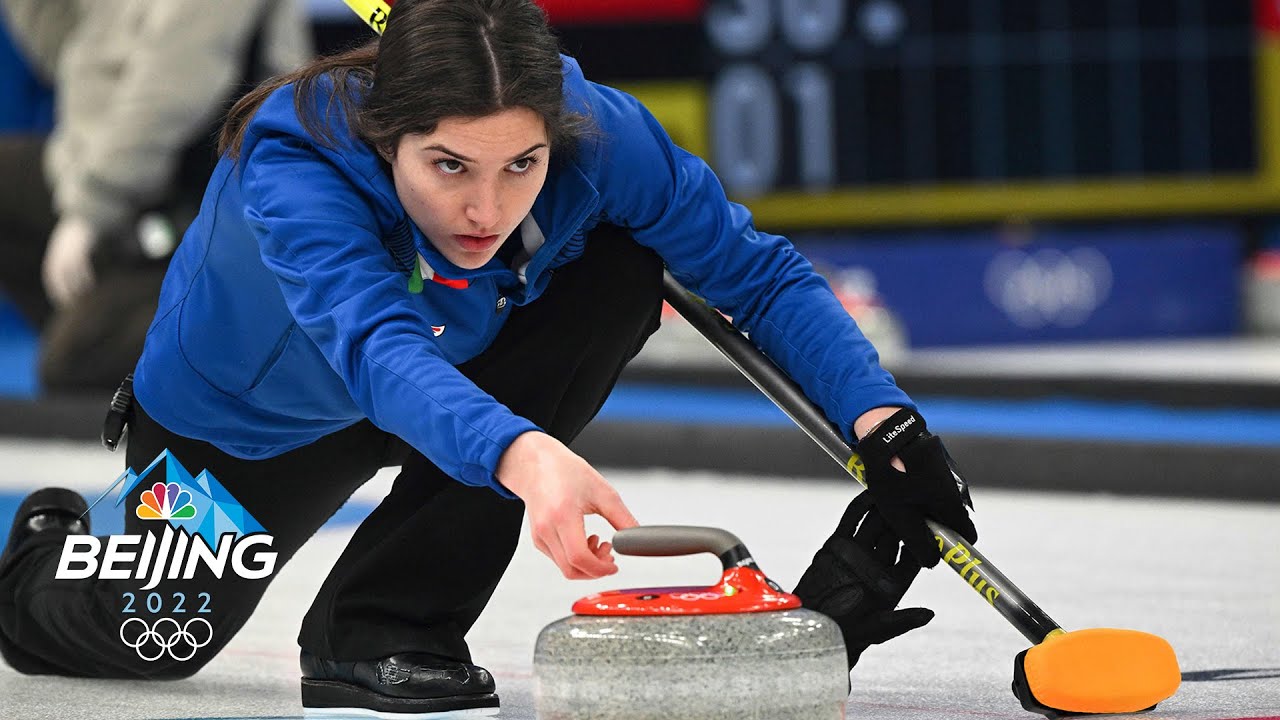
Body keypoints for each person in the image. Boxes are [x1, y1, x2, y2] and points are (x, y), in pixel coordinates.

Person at [0, 0, 979, 716]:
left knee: (623, 267)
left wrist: (879, 422)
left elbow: (756, 276)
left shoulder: (603, 136)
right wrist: (524, 452)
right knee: (148, 637)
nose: (486, 208)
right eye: (449, 167)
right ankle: (44, 551)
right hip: (247, 426)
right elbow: (375, 350)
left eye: (522, 165)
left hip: (457, 378)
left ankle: (384, 630)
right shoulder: (294, 156)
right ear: (389, 138)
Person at [0, 0, 311, 391]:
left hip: (200, 211)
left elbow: (168, 98)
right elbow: (76, 58)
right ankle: (103, 311)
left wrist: (88, 211)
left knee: (73, 363)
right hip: (112, 174)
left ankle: (242, 347)